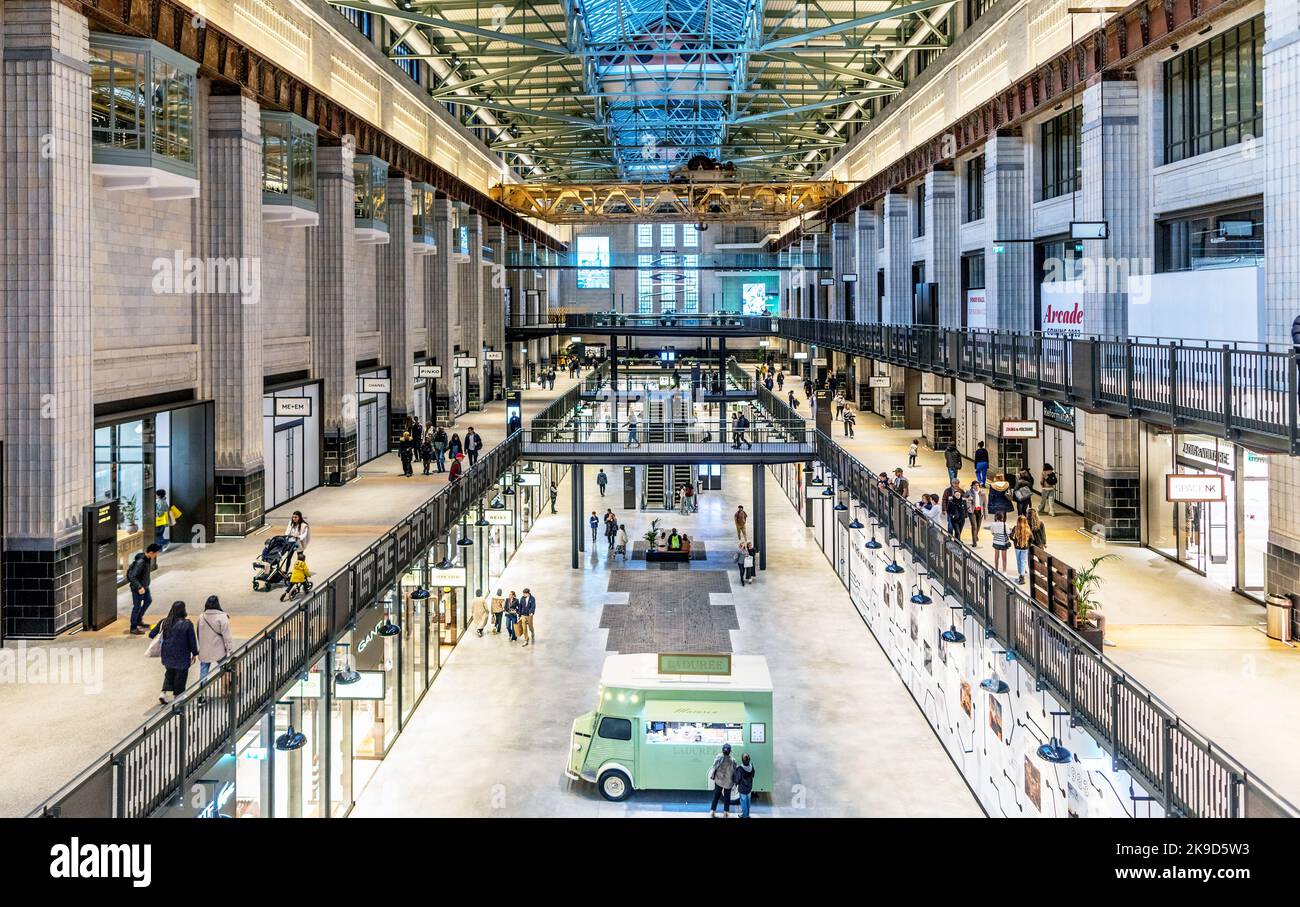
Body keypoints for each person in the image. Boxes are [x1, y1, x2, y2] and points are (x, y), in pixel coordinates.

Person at [149, 600, 198, 705]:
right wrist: (194, 653)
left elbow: (152, 634)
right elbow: (191, 640)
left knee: (169, 672)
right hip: (182, 655)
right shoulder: (187, 624)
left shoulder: (164, 622)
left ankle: (163, 693)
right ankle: (178, 695)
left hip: (167, 654)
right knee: (181, 675)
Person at [195, 595, 232, 682]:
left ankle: (201, 692)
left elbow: (198, 633)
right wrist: (230, 649)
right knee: (224, 668)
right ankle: (225, 688)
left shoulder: (201, 617)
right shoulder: (222, 617)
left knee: (203, 671)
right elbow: (227, 636)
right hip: (219, 651)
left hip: (204, 650)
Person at [127, 543, 162, 634]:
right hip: (138, 588)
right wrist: (139, 587)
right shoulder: (141, 562)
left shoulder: (148, 559)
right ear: (151, 552)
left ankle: (139, 619)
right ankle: (133, 627)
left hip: (145, 586)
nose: (156, 555)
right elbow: (132, 576)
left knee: (148, 601)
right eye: (156, 553)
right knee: (137, 607)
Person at [708, 743, 737, 817]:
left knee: (716, 796)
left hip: (719, 781)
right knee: (727, 797)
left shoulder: (719, 757)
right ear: (730, 751)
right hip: (728, 782)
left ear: (722, 750)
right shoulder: (733, 760)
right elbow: (735, 771)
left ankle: (712, 811)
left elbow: (714, 766)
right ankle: (726, 812)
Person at [1011, 514, 1033, 583]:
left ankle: (1021, 574)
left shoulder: (1015, 528)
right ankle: (1022, 575)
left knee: (1018, 560)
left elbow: (1011, 536)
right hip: (1025, 547)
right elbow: (1032, 538)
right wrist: (1028, 545)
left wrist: (1015, 541)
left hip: (1017, 547)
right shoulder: (1027, 528)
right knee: (1023, 561)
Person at [734, 753, 756, 818]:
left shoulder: (740, 769)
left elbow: (737, 779)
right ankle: (747, 814)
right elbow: (753, 775)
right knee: (748, 801)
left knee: (743, 802)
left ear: (742, 760)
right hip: (749, 788)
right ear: (749, 760)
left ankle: (745, 815)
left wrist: (736, 783)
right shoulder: (751, 766)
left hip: (742, 789)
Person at [967, 480, 985, 546]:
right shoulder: (969, 492)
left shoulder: (982, 493)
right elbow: (963, 498)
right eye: (975, 485)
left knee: (978, 526)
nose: (977, 487)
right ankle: (974, 542)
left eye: (977, 485)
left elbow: (984, 503)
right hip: (972, 511)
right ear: (972, 486)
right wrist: (968, 499)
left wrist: (985, 513)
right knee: (974, 526)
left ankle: (975, 535)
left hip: (980, 511)